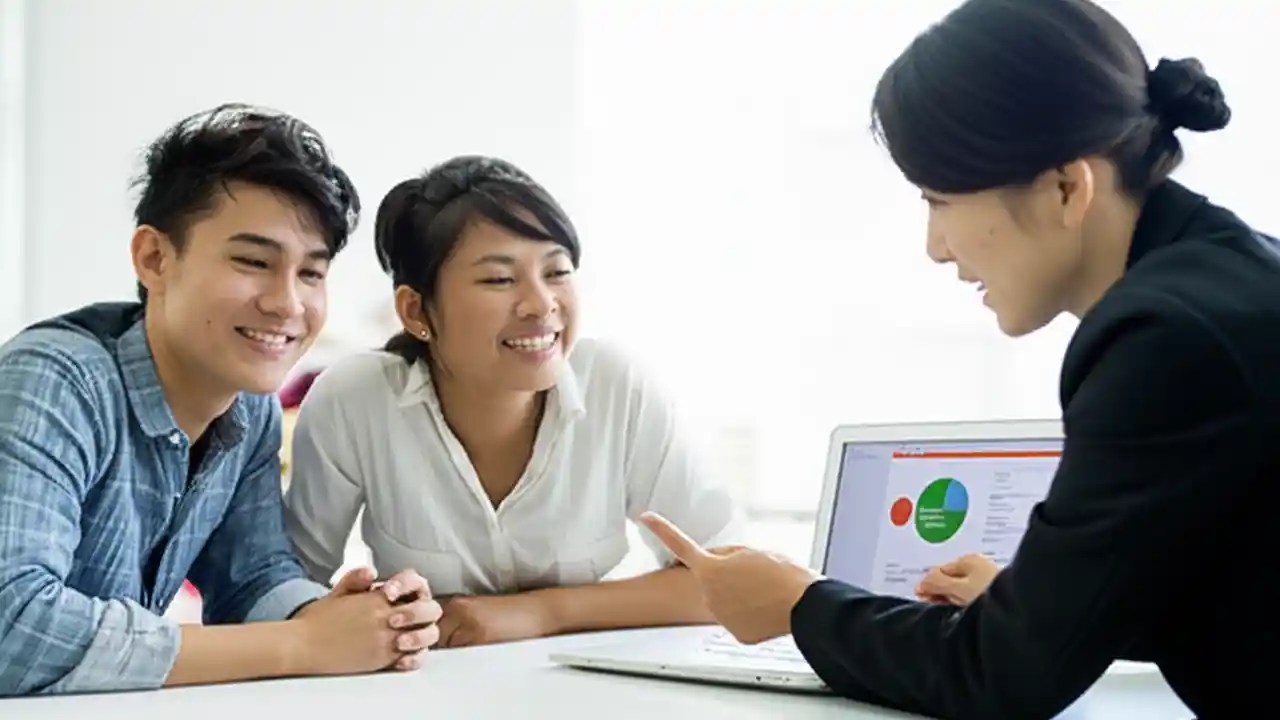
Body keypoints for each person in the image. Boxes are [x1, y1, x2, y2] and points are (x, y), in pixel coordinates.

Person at [639, 0, 1276, 717]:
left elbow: (1000, 678)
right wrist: (1043, 602)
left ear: (1067, 187)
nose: (935, 247)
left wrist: (797, 605)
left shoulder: (1164, 338)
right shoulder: (1231, 278)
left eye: (940, 201)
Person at [0, 104, 442, 696]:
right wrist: (302, 644)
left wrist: (350, 617)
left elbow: (252, 578)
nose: (288, 304)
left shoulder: (246, 406)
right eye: (254, 262)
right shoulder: (56, 384)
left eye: (311, 274)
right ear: (155, 258)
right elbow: (13, 628)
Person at [283, 155, 742, 649]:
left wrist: (538, 612)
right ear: (416, 310)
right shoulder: (355, 400)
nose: (541, 304)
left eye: (557, 271)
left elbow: (731, 579)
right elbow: (287, 586)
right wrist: (355, 613)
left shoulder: (615, 384)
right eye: (500, 280)